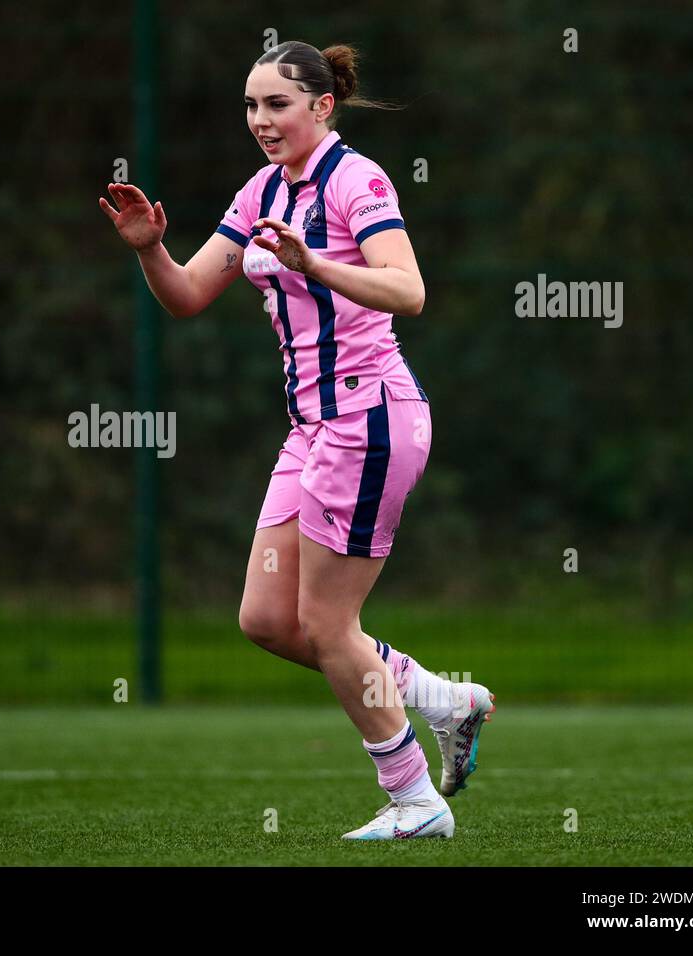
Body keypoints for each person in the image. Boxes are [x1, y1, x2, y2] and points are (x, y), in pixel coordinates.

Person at [100, 40, 492, 840]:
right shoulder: (261, 191)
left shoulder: (357, 179)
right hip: (313, 430)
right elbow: (187, 295)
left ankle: (416, 802)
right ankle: (443, 699)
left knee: (327, 624)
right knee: (267, 620)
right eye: (251, 105)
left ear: (322, 105)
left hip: (370, 418)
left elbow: (409, 290)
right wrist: (149, 250)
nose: (261, 119)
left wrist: (314, 263)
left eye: (277, 104)